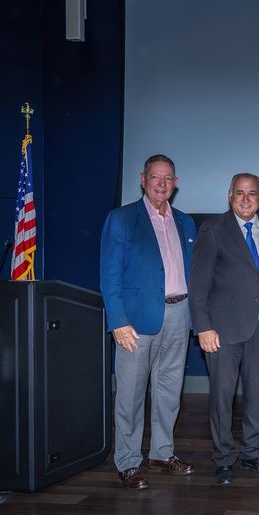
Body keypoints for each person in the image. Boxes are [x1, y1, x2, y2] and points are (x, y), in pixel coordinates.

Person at [100, 154, 196, 489]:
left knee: (169, 391)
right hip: (136, 322)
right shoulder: (122, 219)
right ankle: (128, 462)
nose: (161, 184)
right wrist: (118, 321)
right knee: (130, 395)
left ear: (176, 183)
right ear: (143, 179)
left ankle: (161, 453)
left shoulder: (185, 222)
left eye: (168, 178)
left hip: (179, 314)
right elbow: (109, 275)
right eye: (155, 177)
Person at [189, 173, 259, 485]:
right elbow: (198, 284)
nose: (245, 199)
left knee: (256, 396)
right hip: (222, 331)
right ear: (230, 195)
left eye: (252, 193)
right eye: (239, 192)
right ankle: (224, 459)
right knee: (222, 398)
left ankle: (252, 454)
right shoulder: (213, 229)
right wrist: (203, 327)